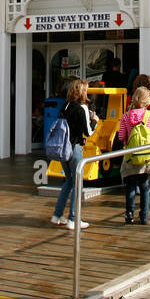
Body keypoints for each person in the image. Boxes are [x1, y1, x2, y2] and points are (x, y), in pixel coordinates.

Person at [50, 80, 95, 229]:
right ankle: (73, 218)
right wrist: (94, 120)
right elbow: (88, 132)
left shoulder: (66, 105)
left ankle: (57, 214)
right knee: (77, 182)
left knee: (68, 181)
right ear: (82, 91)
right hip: (75, 147)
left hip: (63, 148)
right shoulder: (82, 108)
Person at [116, 86, 150, 225]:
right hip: (146, 156)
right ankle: (144, 216)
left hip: (130, 155)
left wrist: (126, 141)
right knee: (145, 186)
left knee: (130, 187)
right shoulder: (149, 115)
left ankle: (129, 215)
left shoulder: (126, 116)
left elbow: (121, 135)